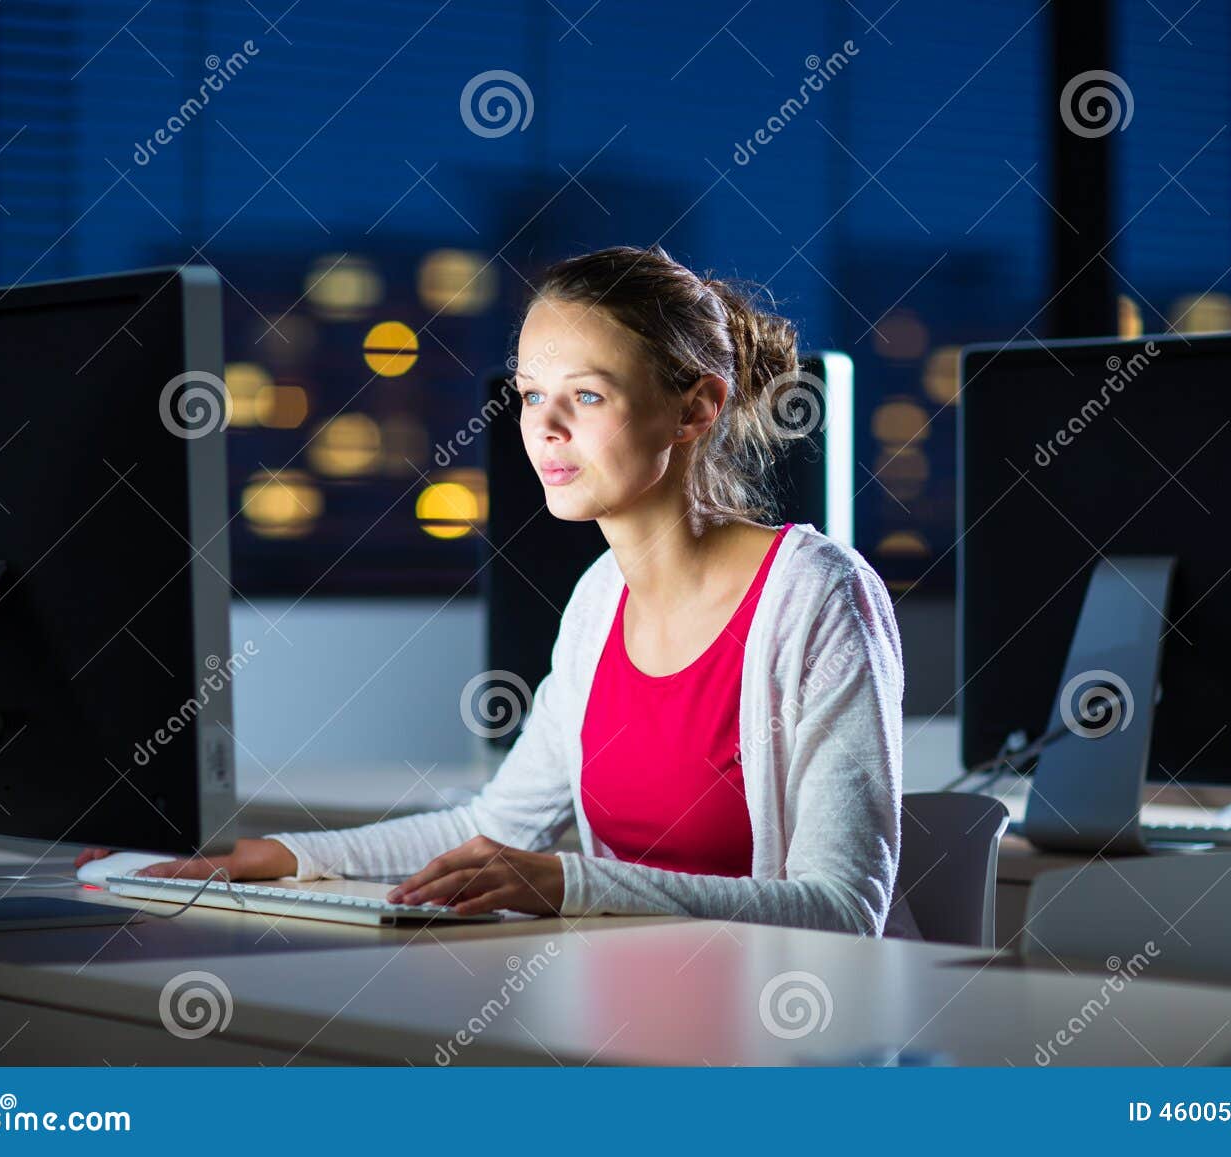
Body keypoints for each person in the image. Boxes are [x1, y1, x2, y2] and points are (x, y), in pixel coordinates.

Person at [77, 244, 910, 937]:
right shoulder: (598, 600)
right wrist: (292, 855)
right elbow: (493, 831)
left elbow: (843, 911)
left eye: (587, 395)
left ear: (696, 409)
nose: (545, 428)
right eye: (532, 396)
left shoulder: (816, 595)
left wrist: (576, 883)